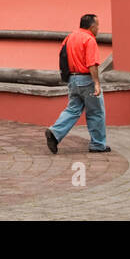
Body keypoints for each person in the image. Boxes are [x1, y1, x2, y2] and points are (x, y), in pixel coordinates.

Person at [44, 14, 110, 154]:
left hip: (72, 79)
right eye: (97, 26)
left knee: (73, 109)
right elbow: (92, 64)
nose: (98, 29)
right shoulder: (89, 40)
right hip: (86, 80)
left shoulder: (70, 37)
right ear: (92, 27)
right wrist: (96, 83)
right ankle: (98, 144)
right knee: (96, 112)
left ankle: (55, 132)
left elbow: (63, 57)